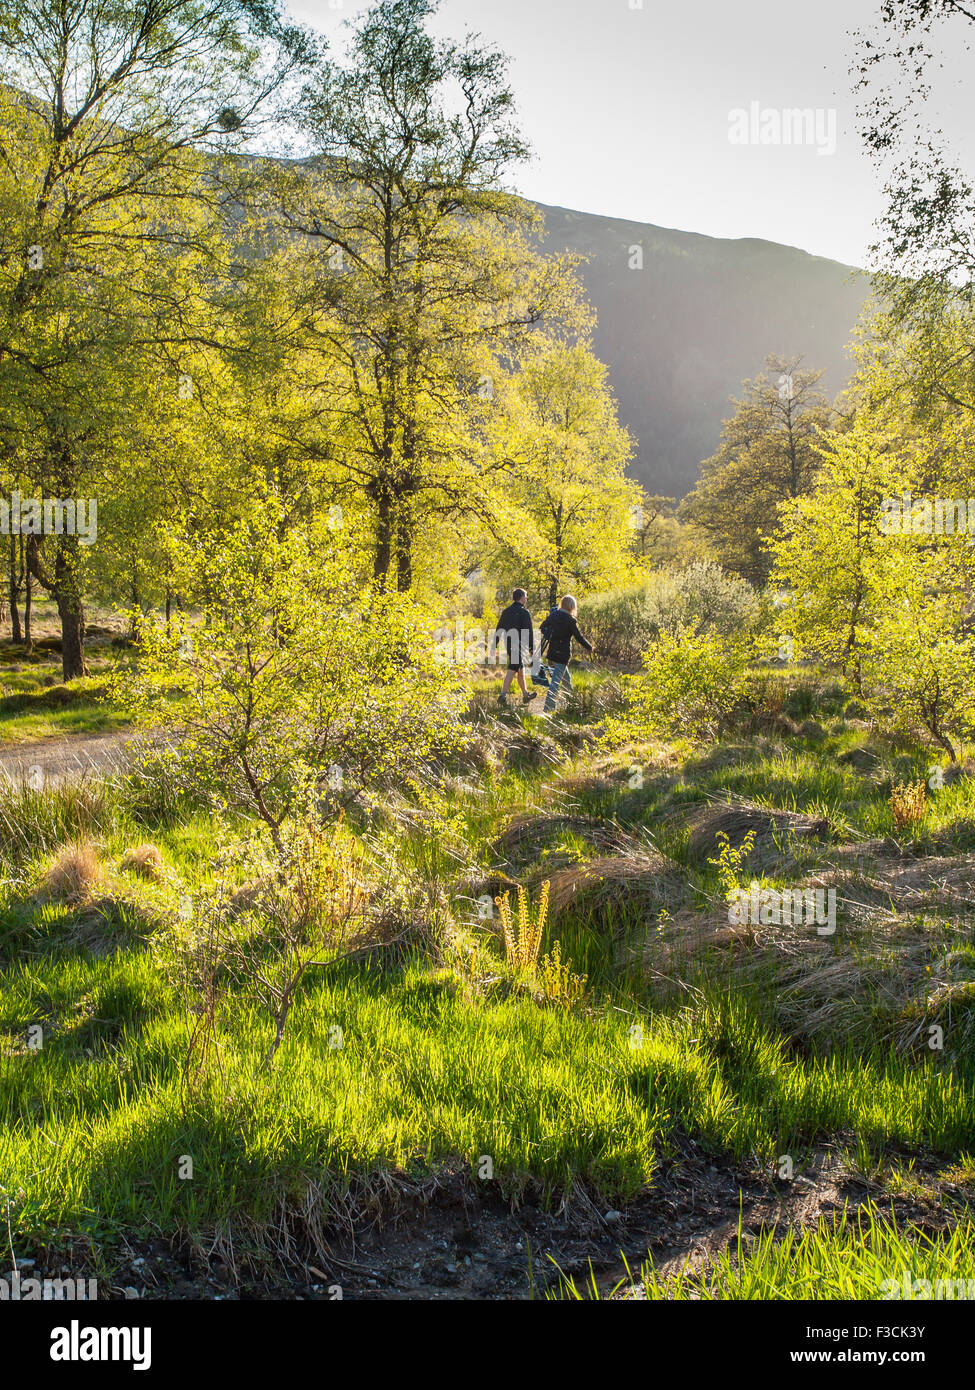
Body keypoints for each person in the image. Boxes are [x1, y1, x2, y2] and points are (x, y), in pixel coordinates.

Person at [541, 594, 593, 713]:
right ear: (571, 606)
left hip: (552, 653)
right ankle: (548, 709)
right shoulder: (570, 620)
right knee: (555, 682)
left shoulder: (553, 615)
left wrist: (551, 634)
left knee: (566, 680)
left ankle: (572, 703)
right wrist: (589, 647)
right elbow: (578, 637)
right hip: (562, 655)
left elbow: (542, 627)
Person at [495, 588, 538, 706]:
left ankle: (525, 695)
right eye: (526, 596)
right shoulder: (524, 613)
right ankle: (502, 695)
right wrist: (532, 648)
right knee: (512, 669)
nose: (527, 598)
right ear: (521, 597)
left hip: (509, 644)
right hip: (519, 645)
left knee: (520, 669)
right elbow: (528, 632)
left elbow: (499, 629)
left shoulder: (506, 611)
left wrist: (495, 644)